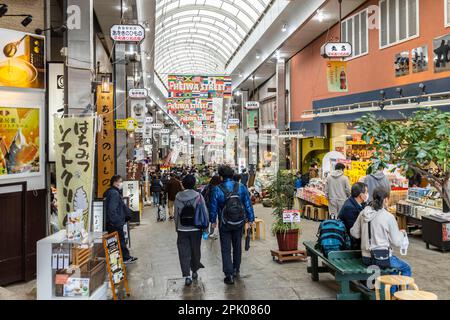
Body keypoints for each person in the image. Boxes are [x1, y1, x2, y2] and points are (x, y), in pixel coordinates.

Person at [350, 187, 411, 291]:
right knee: (406, 268)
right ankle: (397, 295)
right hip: (382, 259)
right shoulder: (388, 217)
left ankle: (390, 293)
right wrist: (402, 234)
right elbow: (396, 242)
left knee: (393, 271)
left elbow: (354, 233)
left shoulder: (363, 213)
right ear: (386, 199)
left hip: (366, 258)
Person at [209, 165, 255, 285]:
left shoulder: (217, 189)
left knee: (225, 249)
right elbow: (247, 204)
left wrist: (213, 221)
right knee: (237, 246)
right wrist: (251, 219)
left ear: (221, 176)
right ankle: (236, 269)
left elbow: (213, 207)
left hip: (224, 224)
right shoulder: (241, 187)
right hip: (239, 222)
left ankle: (229, 275)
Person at [174, 174, 208, 286]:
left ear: (183, 184)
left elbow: (176, 215)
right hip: (196, 228)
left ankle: (186, 276)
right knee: (195, 250)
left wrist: (177, 228)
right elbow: (204, 212)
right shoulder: (198, 196)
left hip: (182, 229)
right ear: (194, 184)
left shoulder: (178, 196)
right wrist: (205, 228)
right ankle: (194, 271)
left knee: (183, 252)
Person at [104, 175, 137, 264]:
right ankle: (125, 258)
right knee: (120, 241)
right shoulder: (114, 193)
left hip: (110, 222)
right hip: (114, 223)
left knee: (115, 242)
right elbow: (112, 209)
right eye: (120, 181)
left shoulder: (109, 191)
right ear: (115, 182)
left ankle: (118, 259)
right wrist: (117, 221)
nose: (121, 183)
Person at [338, 182, 368, 249]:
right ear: (361, 195)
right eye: (366, 192)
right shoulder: (350, 208)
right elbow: (354, 231)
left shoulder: (355, 202)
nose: (367, 195)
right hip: (349, 243)